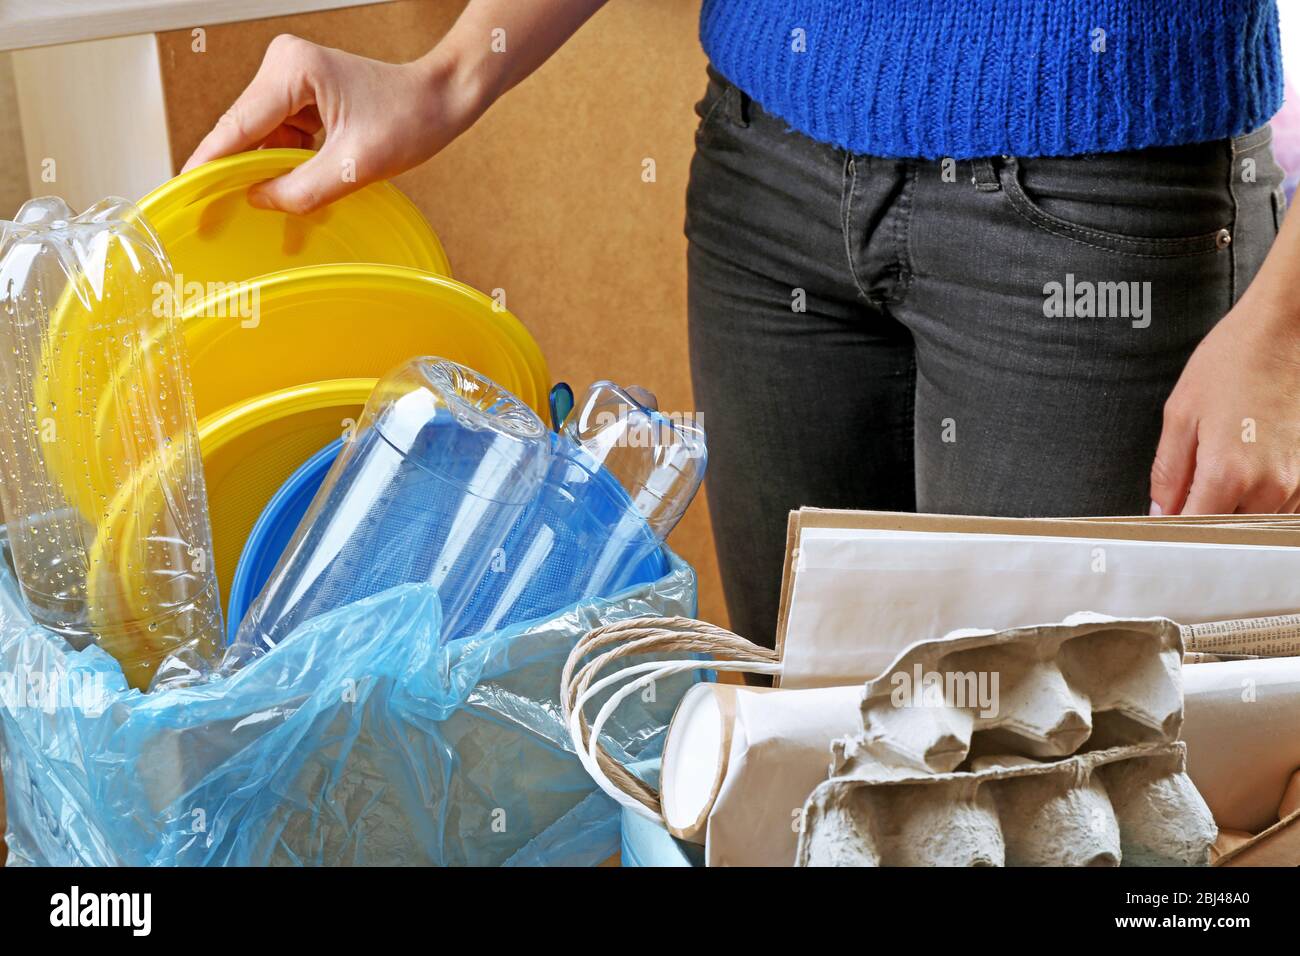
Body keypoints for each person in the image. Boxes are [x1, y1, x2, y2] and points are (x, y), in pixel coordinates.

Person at [189, 0, 1300, 650]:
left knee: (1055, 793)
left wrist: (1286, 333)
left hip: (1105, 192)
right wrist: (440, 80)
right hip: (764, 175)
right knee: (807, 751)